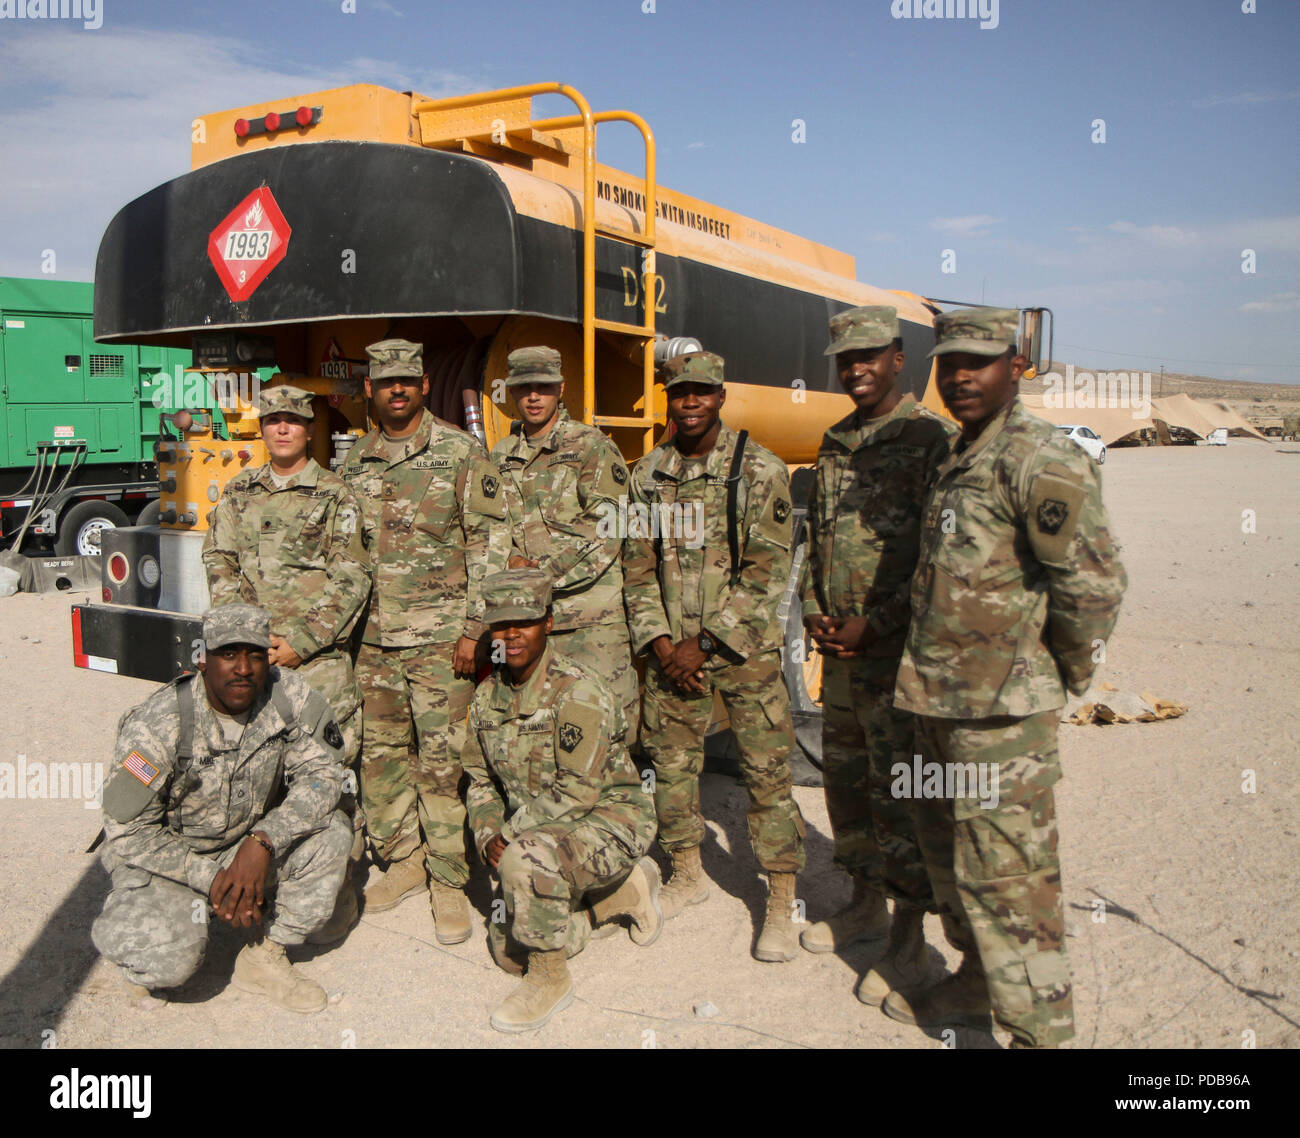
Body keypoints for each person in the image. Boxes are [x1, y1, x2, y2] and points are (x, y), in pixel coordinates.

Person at [884, 308, 1126, 1048]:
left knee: (1011, 884)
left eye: (978, 363)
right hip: (935, 705)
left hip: (999, 722)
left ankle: (1036, 1035)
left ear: (1015, 366)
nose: (959, 377)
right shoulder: (960, 455)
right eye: (948, 363)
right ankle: (975, 979)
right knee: (951, 860)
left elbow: (1092, 586)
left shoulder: (1038, 459)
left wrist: (1058, 671)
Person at [623, 350, 807, 962]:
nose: (691, 402)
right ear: (669, 401)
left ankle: (780, 896)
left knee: (766, 773)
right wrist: (660, 643)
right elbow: (635, 568)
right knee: (672, 768)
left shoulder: (758, 470)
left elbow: (767, 571)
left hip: (741, 653)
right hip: (670, 651)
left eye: (702, 392)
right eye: (680, 393)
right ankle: (687, 872)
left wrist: (701, 645)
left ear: (721, 396)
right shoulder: (647, 475)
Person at [798, 306, 958, 1004]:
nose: (855, 368)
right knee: (847, 783)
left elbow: (939, 561)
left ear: (900, 357)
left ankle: (909, 937)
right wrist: (811, 609)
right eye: (844, 358)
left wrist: (878, 623)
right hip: (840, 656)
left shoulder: (932, 439)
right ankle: (864, 901)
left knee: (904, 796)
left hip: (896, 655)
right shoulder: (837, 439)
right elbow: (821, 539)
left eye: (869, 355)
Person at [91, 604, 351, 1013]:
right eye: (228, 654)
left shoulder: (290, 696)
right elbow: (126, 830)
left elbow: (324, 776)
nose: (243, 668)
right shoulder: (159, 722)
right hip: (173, 859)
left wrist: (264, 841)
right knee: (165, 964)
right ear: (202, 660)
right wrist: (214, 878)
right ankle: (152, 916)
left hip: (248, 843)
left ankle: (264, 956)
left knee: (333, 830)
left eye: (255, 654)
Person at [341, 338, 511, 944]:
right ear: (370, 389)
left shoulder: (459, 452)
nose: (397, 389)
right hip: (373, 645)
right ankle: (404, 859)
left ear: (419, 384)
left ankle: (447, 881)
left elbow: (488, 543)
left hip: (442, 644)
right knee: (381, 763)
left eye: (407, 380)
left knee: (443, 769)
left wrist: (473, 631)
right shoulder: (355, 462)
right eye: (385, 381)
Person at [202, 383, 371, 943]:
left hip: (317, 666)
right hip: (255, 669)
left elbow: (353, 577)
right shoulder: (241, 491)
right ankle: (269, 889)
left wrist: (300, 639)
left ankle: (338, 892)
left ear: (308, 429)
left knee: (331, 780)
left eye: (292, 422)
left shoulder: (334, 496)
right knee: (265, 779)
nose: (281, 429)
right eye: (272, 420)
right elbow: (219, 557)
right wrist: (240, 633)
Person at [462, 568, 661, 1033]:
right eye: (501, 624)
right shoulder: (487, 697)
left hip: (610, 822)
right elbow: (479, 780)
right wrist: (488, 830)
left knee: (524, 864)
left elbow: (577, 791)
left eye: (524, 622)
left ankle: (550, 981)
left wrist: (509, 836)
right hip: (543, 833)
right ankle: (611, 901)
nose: (511, 635)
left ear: (548, 623)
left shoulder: (579, 691)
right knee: (506, 949)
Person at [490, 346, 639, 738]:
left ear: (561, 388)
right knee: (532, 735)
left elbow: (606, 530)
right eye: (524, 388)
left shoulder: (592, 447)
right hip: (526, 627)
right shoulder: (503, 453)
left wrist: (537, 576)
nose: (534, 397)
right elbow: (489, 527)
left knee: (606, 733)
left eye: (544, 387)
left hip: (588, 625)